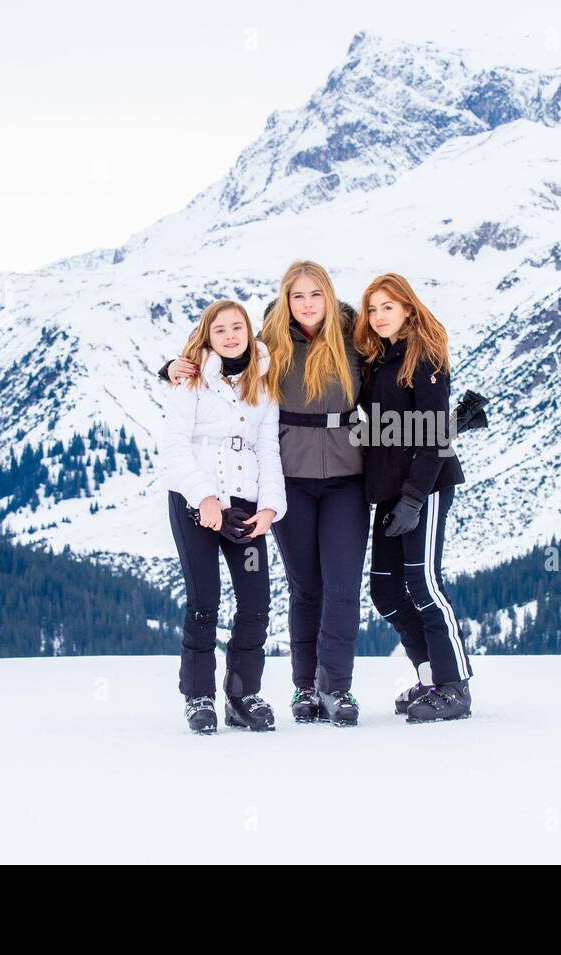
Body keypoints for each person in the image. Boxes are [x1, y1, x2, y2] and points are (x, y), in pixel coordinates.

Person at [159, 262, 369, 726]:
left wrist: (270, 505)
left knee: (306, 594)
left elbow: (266, 443)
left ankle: (316, 689)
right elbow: (180, 432)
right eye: (298, 296)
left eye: (317, 295)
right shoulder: (263, 349)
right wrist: (171, 366)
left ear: (330, 297)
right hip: (243, 490)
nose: (308, 304)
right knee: (257, 595)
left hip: (316, 484)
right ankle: (245, 693)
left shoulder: (348, 341)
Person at [353, 272, 473, 722]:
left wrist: (413, 499)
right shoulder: (379, 359)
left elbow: (435, 436)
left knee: (424, 584)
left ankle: (454, 685)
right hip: (388, 491)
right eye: (372, 308)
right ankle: (428, 676)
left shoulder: (425, 358)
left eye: (388, 306)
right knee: (385, 590)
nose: (379, 316)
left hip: (426, 486)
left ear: (407, 307)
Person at [162, 300, 285, 734]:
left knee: (255, 603)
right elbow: (175, 446)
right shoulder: (189, 381)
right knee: (204, 603)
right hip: (196, 502)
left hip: (247, 504)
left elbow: (268, 448)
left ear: (249, 333)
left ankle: (242, 694)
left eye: (238, 328)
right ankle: (198, 697)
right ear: (207, 336)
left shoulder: (263, 383)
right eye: (220, 330)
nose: (231, 336)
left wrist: (269, 506)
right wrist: (205, 499)